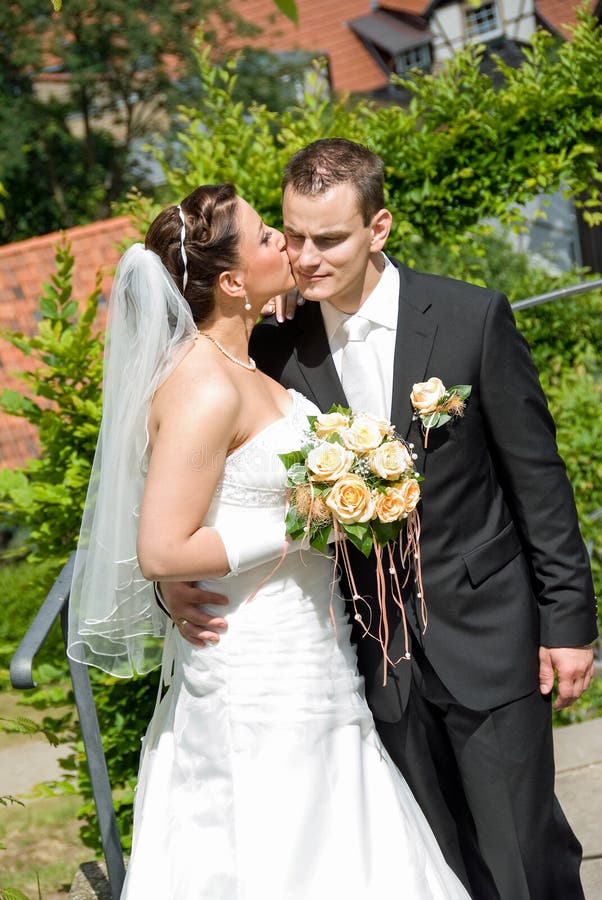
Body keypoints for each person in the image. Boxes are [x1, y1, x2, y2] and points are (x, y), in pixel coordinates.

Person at [161, 140, 598, 900]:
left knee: (524, 857)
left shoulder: (472, 317)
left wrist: (568, 624)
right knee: (429, 864)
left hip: (488, 633)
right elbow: (205, 473)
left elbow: (538, 483)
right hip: (367, 660)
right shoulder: (270, 351)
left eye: (328, 238)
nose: (304, 256)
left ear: (379, 228)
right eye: (291, 235)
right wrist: (176, 579)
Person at [68, 182, 471, 899]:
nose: (286, 245)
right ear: (229, 280)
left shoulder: (245, 363)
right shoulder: (202, 386)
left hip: (315, 660)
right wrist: (303, 517)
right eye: (266, 239)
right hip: (256, 674)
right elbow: (162, 549)